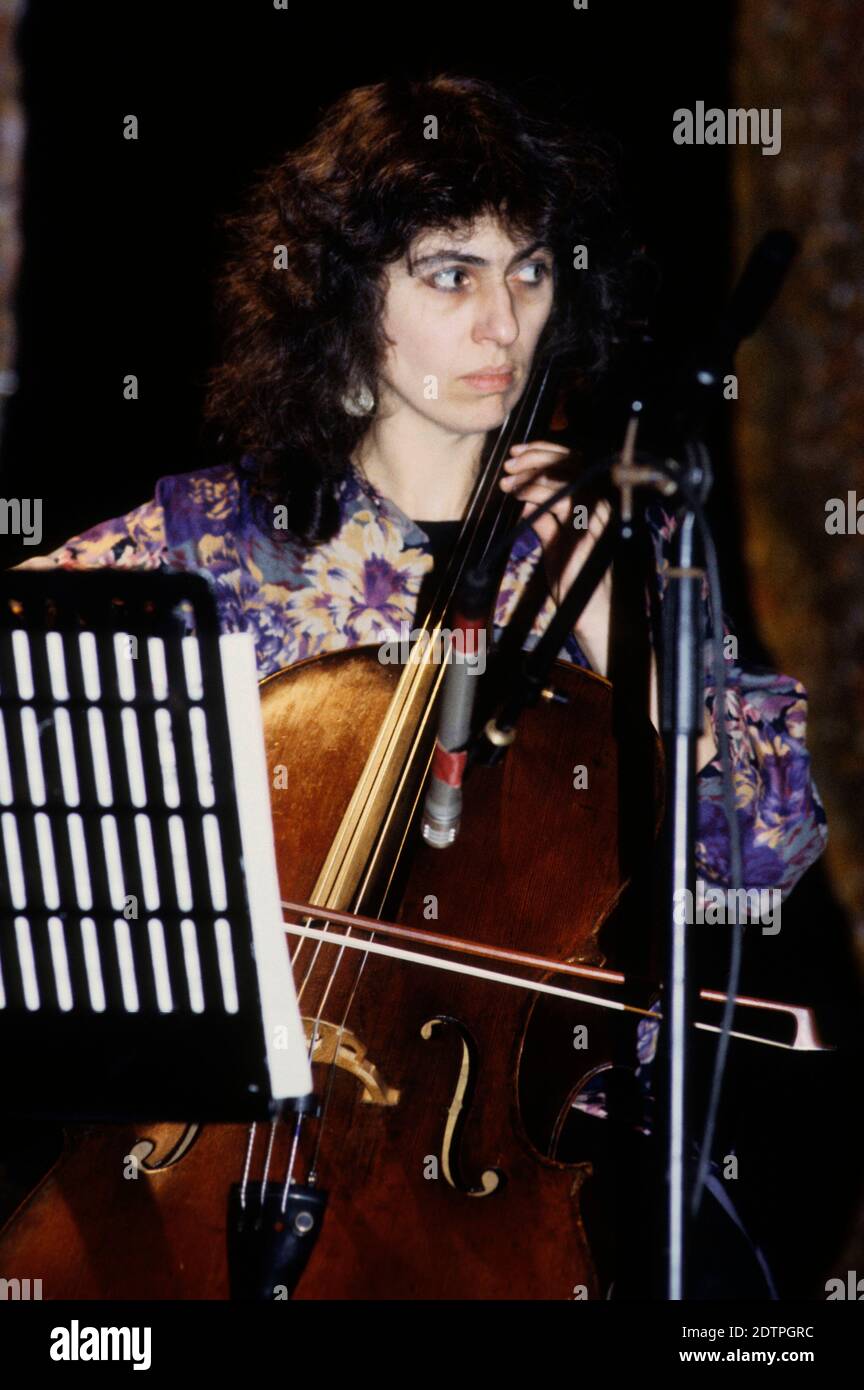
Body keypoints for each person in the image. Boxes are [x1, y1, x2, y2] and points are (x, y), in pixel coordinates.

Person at [14, 74, 827, 1294]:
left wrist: (627, 629)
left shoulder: (622, 556)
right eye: (454, 274)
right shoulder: (220, 542)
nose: (506, 320)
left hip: (504, 1166)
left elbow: (767, 846)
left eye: (533, 269)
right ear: (351, 303)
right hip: (218, 1153)